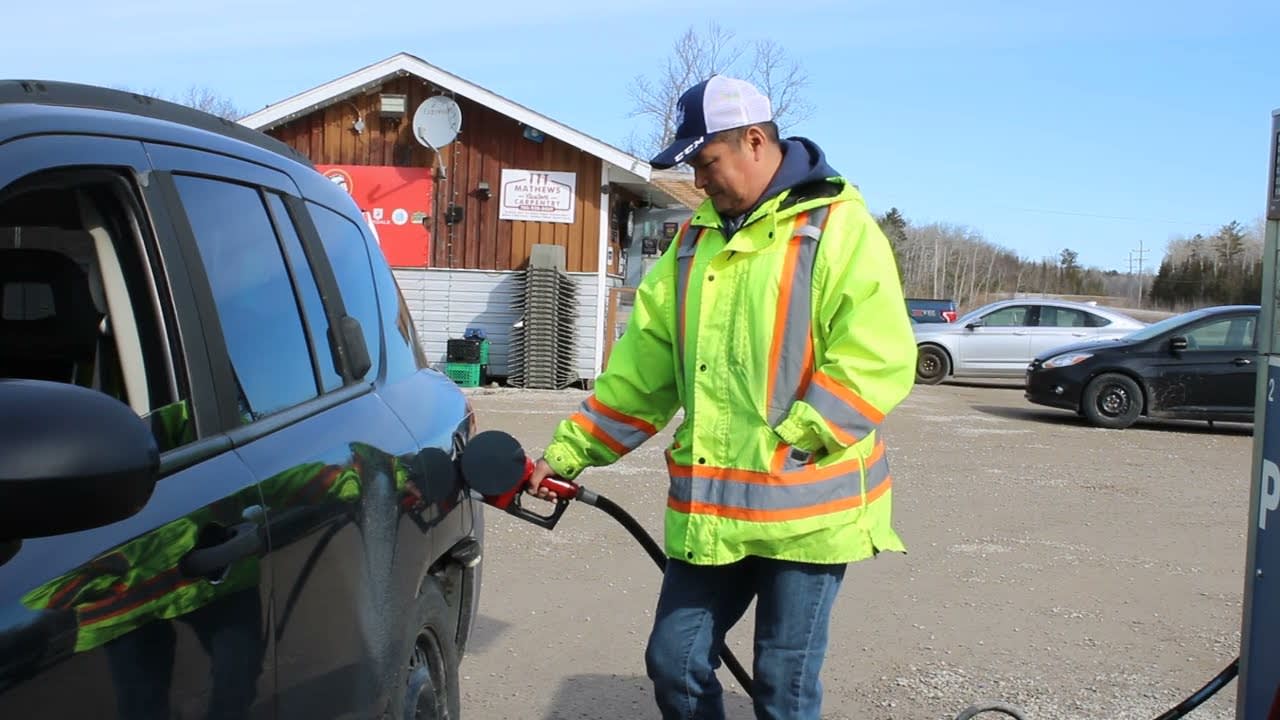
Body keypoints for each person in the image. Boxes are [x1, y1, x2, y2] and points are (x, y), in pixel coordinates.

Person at [525, 74, 917, 720]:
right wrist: (567, 454)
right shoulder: (690, 245)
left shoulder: (837, 227)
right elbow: (640, 379)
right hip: (714, 514)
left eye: (706, 163)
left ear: (755, 142)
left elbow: (877, 354)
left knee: (782, 688)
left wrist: (801, 438)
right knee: (674, 664)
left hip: (807, 516)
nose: (699, 182)